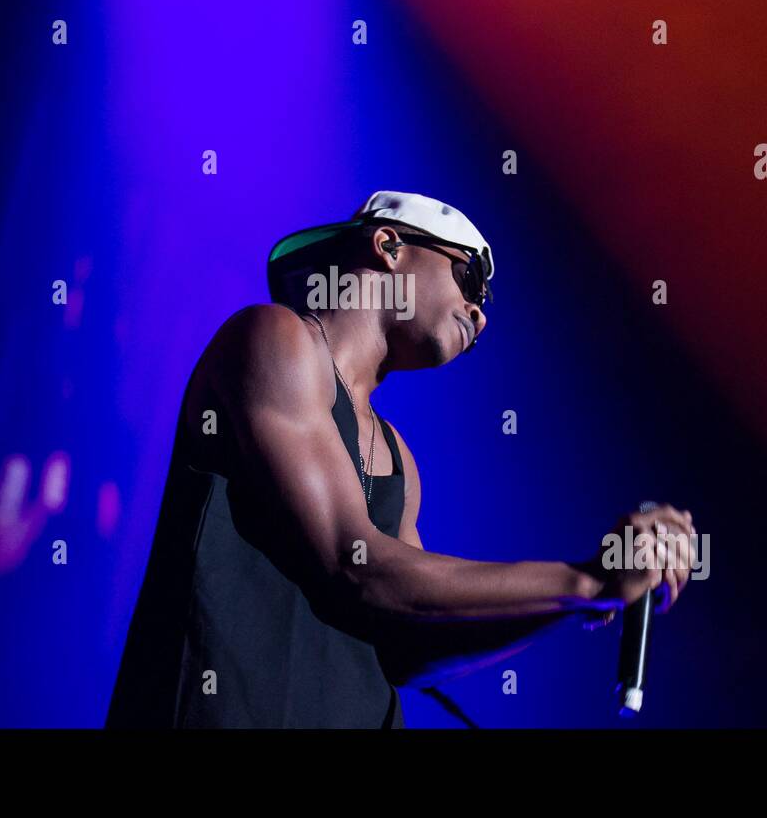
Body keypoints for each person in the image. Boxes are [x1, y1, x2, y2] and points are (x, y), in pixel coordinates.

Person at [105, 191, 696, 728]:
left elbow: (408, 646)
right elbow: (354, 566)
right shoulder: (271, 338)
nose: (481, 312)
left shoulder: (400, 461)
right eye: (472, 276)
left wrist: (582, 596)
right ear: (389, 246)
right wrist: (584, 579)